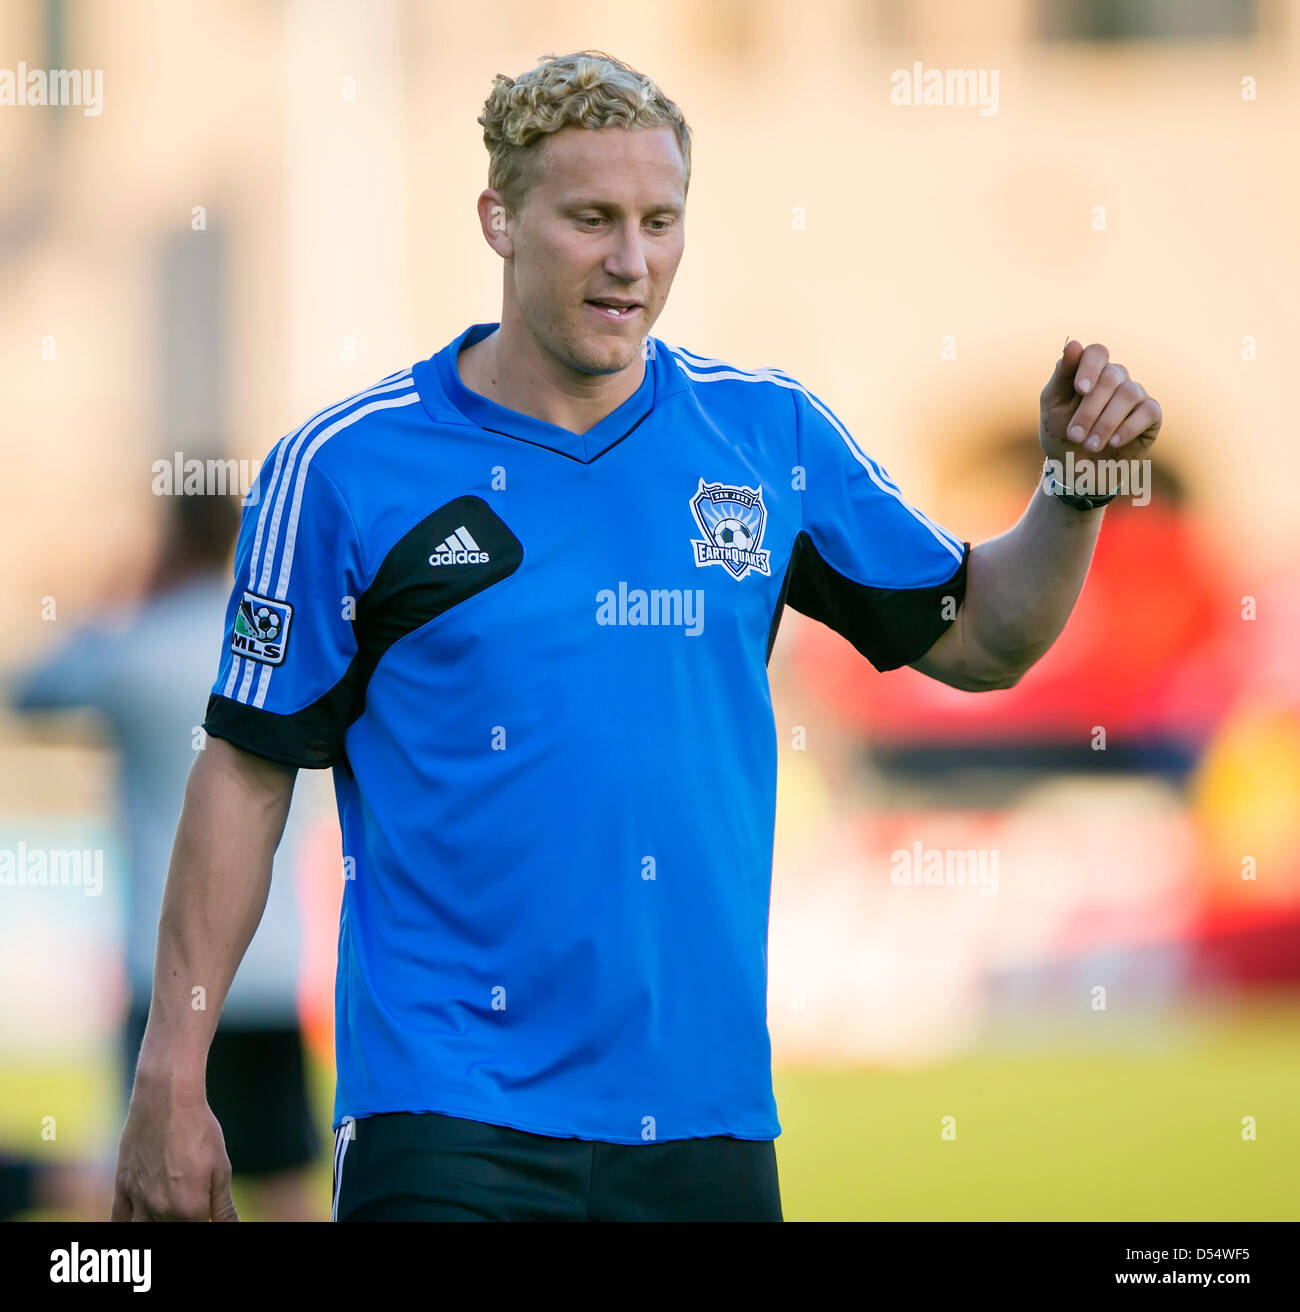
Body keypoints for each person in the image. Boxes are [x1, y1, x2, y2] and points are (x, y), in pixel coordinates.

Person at [112, 50, 1163, 1222]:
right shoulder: (350, 468)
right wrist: (171, 1069)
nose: (632, 259)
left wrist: (1071, 491)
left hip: (703, 1124)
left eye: (661, 221)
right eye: (592, 219)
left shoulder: (767, 439)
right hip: (447, 1119)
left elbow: (980, 639)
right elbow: (246, 770)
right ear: (498, 220)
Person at [12, 491, 323, 1221]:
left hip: (171, 970)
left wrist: (119, 596)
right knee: (283, 1178)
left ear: (169, 540)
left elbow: (33, 690)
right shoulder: (266, 640)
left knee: (147, 1179)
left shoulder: (136, 647)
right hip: (274, 963)